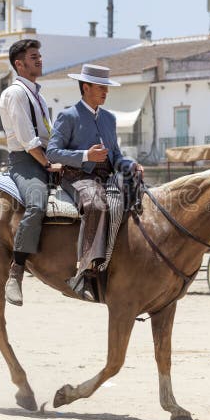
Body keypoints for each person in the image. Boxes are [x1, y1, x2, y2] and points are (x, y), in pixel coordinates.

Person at [47, 63, 142, 300]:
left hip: (107, 177)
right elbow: (52, 152)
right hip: (76, 177)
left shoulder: (109, 118)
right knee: (97, 204)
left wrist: (130, 164)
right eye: (101, 87)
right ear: (86, 87)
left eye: (106, 87)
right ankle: (85, 271)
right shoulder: (68, 116)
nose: (106, 92)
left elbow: (116, 155)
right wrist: (85, 156)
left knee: (141, 199)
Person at [0, 38, 60, 306]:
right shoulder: (15, 94)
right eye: (34, 57)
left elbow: (48, 134)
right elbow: (27, 139)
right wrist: (47, 164)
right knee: (37, 203)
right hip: (25, 160)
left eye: (39, 56)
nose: (40, 60)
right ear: (19, 64)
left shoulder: (39, 96)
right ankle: (17, 271)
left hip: (45, 156)